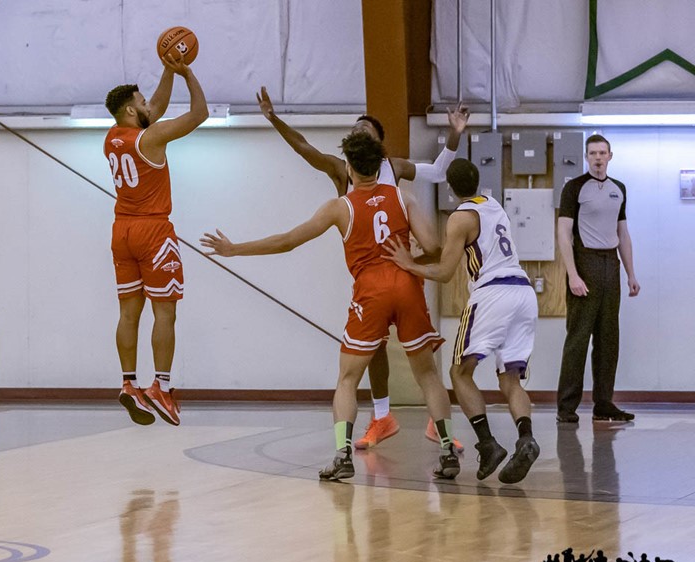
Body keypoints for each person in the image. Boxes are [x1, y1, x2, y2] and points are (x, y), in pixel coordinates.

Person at [201, 132, 459, 481]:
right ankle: (447, 450)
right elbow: (434, 247)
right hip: (407, 284)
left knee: (348, 379)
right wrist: (409, 259)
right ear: (381, 165)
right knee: (427, 375)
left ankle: (342, 455)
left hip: (371, 291)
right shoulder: (402, 197)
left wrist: (235, 248)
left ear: (350, 169)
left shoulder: (342, 206)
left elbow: (289, 241)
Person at [256, 88, 470, 450]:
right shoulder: (342, 169)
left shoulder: (395, 168)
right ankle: (383, 417)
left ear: (378, 143)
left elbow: (436, 171)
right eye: (355, 128)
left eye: (365, 129)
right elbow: (304, 148)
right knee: (377, 353)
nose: (358, 132)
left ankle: (435, 425)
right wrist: (274, 119)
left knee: (412, 366)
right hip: (370, 268)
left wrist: (455, 133)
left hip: (401, 268)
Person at [386, 159, 540, 483]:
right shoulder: (494, 204)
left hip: (492, 293)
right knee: (510, 378)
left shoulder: (459, 218)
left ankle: (487, 444)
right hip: (524, 292)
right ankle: (526, 438)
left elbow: (443, 273)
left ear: (450, 188)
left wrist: (408, 263)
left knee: (459, 372)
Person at [104, 52, 208, 427]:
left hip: (122, 231)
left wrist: (167, 67)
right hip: (153, 231)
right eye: (142, 101)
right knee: (165, 311)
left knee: (128, 312)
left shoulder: (113, 137)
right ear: (132, 111)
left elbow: (156, 110)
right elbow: (200, 114)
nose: (150, 104)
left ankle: (128, 384)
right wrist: (187, 72)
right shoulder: (152, 139)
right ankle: (161, 388)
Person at [556, 134, 640, 425]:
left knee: (608, 339)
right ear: (587, 156)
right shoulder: (574, 188)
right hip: (585, 261)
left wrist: (630, 273)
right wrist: (573, 274)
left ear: (610, 156)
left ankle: (604, 403)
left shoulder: (619, 189)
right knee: (578, 338)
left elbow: (623, 234)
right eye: (593, 153)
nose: (598, 158)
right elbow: (563, 234)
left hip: (610, 266)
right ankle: (567, 408)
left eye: (603, 153)